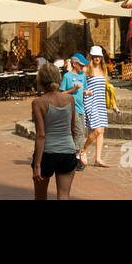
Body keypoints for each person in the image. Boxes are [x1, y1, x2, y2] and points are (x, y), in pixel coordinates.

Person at [31, 62, 84, 200]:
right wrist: (73, 149)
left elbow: (41, 135)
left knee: (40, 197)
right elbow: (72, 128)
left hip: (46, 153)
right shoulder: (70, 99)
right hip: (67, 151)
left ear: (41, 80)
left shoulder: (39, 102)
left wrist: (37, 165)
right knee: (64, 196)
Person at [81, 45, 110, 167]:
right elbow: (79, 85)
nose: (97, 58)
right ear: (91, 57)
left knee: (101, 131)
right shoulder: (86, 69)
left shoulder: (104, 69)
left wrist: (112, 103)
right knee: (97, 130)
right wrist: (84, 91)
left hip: (101, 102)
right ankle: (83, 150)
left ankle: (98, 159)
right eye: (95, 56)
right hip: (90, 102)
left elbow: (106, 87)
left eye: (99, 56)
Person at [61, 54, 89, 168]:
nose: (82, 68)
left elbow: (85, 89)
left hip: (81, 107)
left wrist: (86, 92)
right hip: (72, 108)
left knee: (80, 132)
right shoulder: (67, 77)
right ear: (74, 64)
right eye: (81, 65)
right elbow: (62, 93)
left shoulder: (82, 76)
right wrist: (73, 89)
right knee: (79, 132)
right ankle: (76, 159)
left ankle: (73, 157)